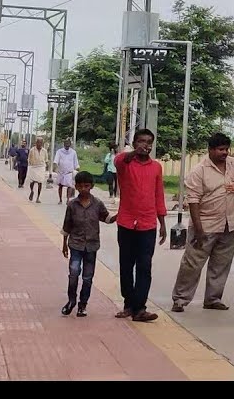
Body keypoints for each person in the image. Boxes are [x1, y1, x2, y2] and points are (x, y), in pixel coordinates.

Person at [170, 132, 234, 312]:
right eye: (220, 149)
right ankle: (180, 299)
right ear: (210, 150)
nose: (224, 153)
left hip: (229, 225)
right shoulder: (199, 171)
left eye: (226, 149)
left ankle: (213, 299)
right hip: (205, 225)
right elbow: (193, 202)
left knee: (221, 264)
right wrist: (199, 231)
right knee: (192, 264)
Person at [114, 128, 166, 322]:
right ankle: (129, 304)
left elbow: (158, 194)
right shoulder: (125, 163)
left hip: (148, 224)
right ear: (135, 143)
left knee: (144, 267)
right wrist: (134, 152)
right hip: (127, 222)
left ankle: (140, 308)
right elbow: (119, 160)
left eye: (149, 142)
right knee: (126, 265)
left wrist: (162, 223)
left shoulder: (156, 167)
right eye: (142, 141)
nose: (146, 145)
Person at [61, 171, 117, 317]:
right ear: (76, 187)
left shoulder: (97, 204)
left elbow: (106, 218)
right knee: (73, 273)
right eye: (81, 186)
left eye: (87, 186)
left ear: (91, 186)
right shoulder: (72, 205)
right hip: (75, 245)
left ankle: (82, 305)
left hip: (91, 246)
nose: (84, 189)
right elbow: (67, 225)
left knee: (88, 277)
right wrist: (64, 244)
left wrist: (119, 215)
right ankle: (71, 300)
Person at [55, 138, 79, 204]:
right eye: (66, 145)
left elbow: (75, 161)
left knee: (70, 186)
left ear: (70, 145)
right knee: (60, 185)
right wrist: (56, 167)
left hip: (69, 172)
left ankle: (68, 199)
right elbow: (56, 161)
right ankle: (60, 199)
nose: (67, 147)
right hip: (61, 171)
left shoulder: (73, 152)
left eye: (68, 145)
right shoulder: (59, 151)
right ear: (64, 145)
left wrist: (77, 168)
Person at [26, 137, 48, 203]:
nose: (39, 144)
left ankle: (38, 197)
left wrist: (46, 168)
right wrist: (30, 165)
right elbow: (29, 158)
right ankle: (32, 191)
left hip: (41, 167)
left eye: (41, 142)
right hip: (33, 167)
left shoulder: (44, 151)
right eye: (38, 142)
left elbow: (46, 159)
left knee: (40, 182)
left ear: (42, 143)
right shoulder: (32, 150)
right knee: (32, 182)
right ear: (36, 143)